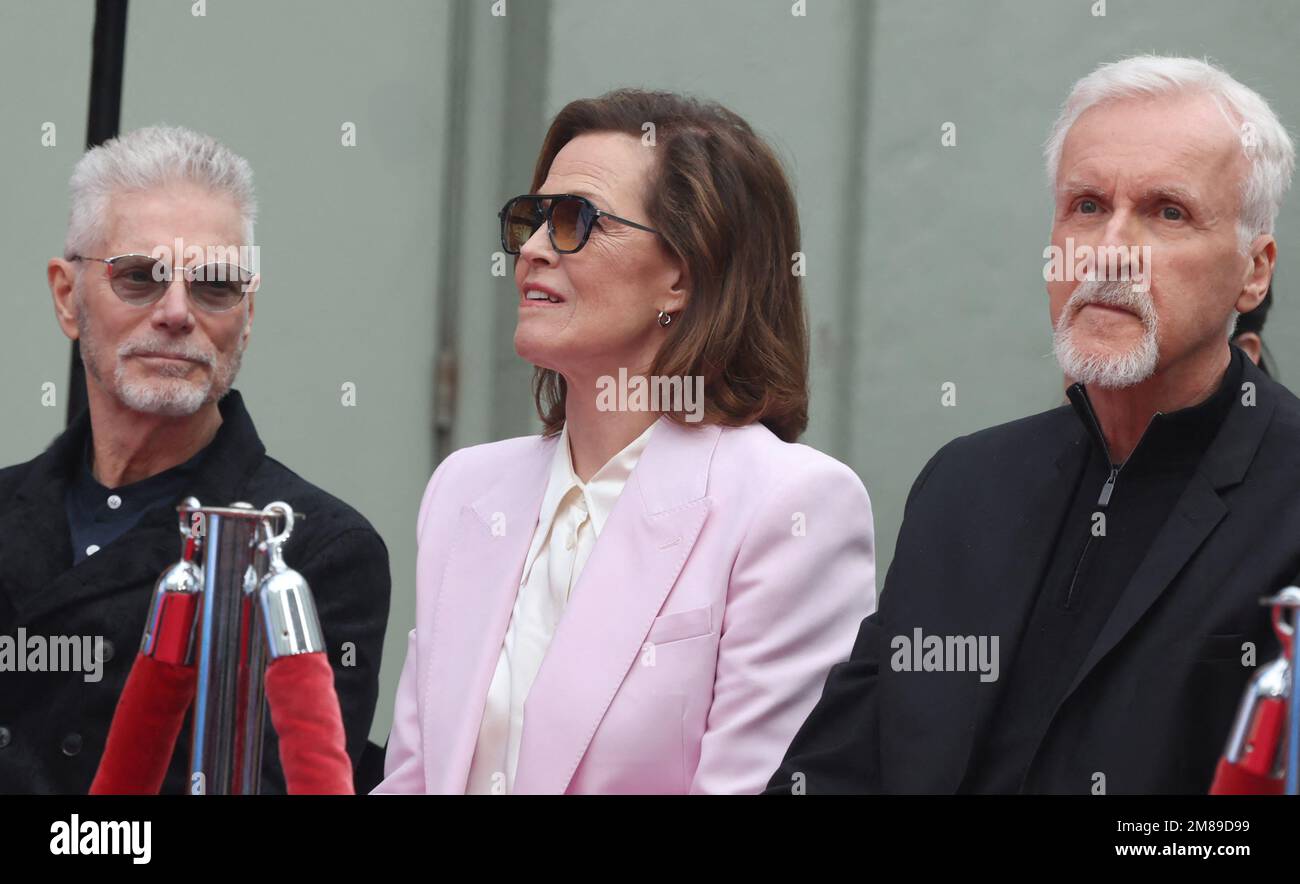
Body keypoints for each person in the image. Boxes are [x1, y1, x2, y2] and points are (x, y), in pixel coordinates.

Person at [769, 55, 1298, 794]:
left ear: (1254, 270)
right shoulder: (966, 486)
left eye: (1166, 212)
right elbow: (834, 772)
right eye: (1085, 206)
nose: (1109, 252)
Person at [375, 89, 875, 795]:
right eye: (533, 218)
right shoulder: (466, 488)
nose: (534, 251)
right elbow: (414, 777)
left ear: (683, 272)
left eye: (577, 219)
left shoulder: (791, 505)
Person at [0, 126, 391, 793]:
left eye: (215, 285)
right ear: (68, 297)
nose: (177, 312)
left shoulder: (315, 550)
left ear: (247, 313)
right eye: (139, 277)